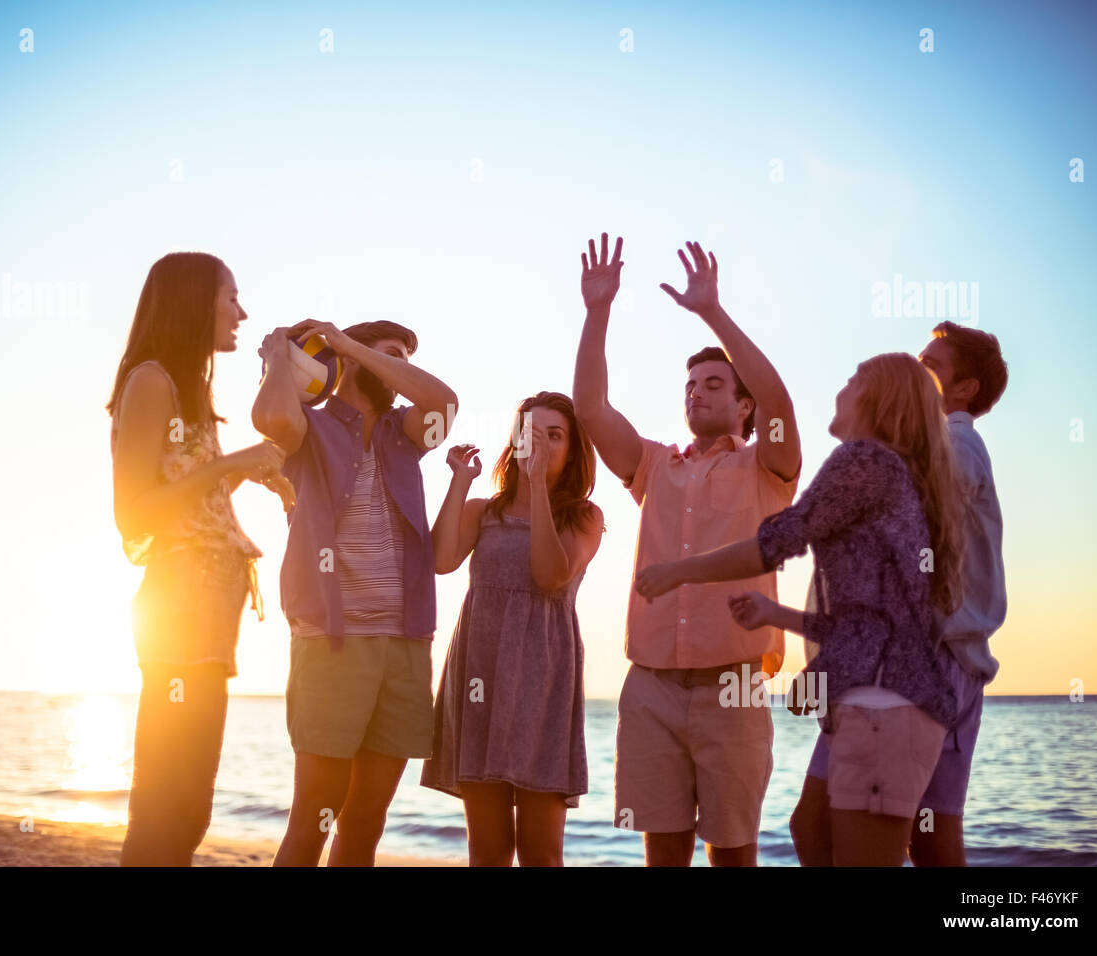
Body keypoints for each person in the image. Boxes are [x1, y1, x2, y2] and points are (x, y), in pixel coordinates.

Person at [637, 352, 967, 866]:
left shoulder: (863, 461)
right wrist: (783, 622)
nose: (841, 385)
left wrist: (678, 571)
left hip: (886, 705)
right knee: (809, 827)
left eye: (854, 378)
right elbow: (868, 619)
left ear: (877, 401)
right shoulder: (891, 473)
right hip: (882, 702)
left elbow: (775, 540)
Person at [572, 233, 801, 867]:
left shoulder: (768, 468)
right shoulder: (655, 467)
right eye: (690, 384)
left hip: (735, 687)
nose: (695, 391)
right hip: (650, 687)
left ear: (742, 403)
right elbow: (590, 409)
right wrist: (598, 312)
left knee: (732, 853)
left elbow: (780, 401)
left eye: (713, 383)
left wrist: (712, 312)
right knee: (662, 856)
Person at [108, 252, 295, 866]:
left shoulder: (188, 388)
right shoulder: (151, 381)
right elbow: (135, 514)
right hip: (178, 607)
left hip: (207, 615)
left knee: (189, 810)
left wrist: (248, 468)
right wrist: (230, 465)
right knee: (167, 803)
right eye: (231, 297)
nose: (242, 312)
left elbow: (189, 502)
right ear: (195, 302)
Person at [252, 317, 457, 866]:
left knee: (365, 821)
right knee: (313, 815)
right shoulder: (312, 428)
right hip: (331, 639)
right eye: (390, 354)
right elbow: (270, 416)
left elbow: (445, 403)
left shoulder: (407, 433)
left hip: (406, 644)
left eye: (406, 359)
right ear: (349, 361)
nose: (401, 368)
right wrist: (280, 357)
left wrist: (349, 346)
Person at [421, 393, 605, 866]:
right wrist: (460, 483)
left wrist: (539, 488)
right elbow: (441, 561)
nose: (539, 444)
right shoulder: (486, 511)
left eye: (554, 435)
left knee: (541, 854)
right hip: (479, 679)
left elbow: (549, 576)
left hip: (542, 687)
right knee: (488, 853)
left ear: (572, 451)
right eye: (530, 433)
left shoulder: (584, 517)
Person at [907, 322, 1008, 865]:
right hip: (954, 660)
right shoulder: (945, 443)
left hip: (936, 660)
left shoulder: (955, 443)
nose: (915, 369)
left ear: (963, 389)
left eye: (931, 364)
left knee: (831, 819)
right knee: (930, 833)